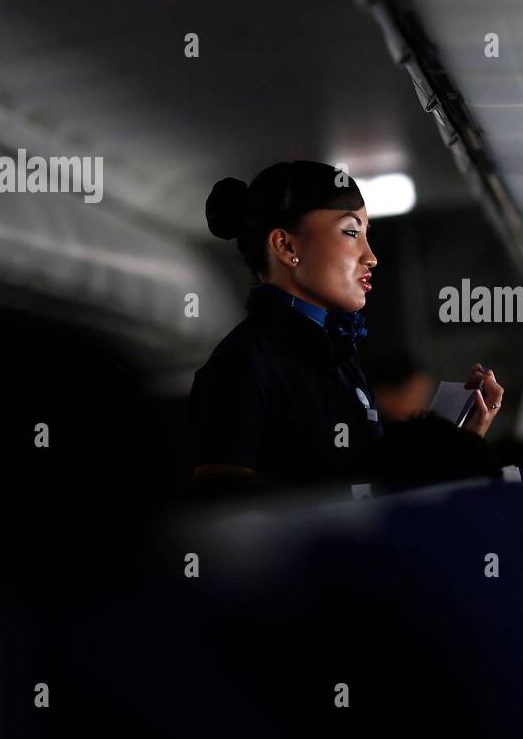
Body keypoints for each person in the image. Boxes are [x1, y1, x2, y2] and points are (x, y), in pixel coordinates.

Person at [189, 160, 504, 491]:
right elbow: (225, 510)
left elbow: (378, 488)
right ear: (286, 247)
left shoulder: (341, 365)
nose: (371, 256)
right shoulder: (242, 363)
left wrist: (459, 443)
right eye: (351, 232)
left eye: (365, 234)